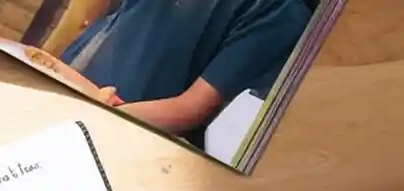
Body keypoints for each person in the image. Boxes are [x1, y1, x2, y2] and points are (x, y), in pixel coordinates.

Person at [58, 0, 312, 142]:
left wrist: (94, 118)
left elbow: (191, 109)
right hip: (72, 89)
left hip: (124, 137)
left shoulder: (282, 13)